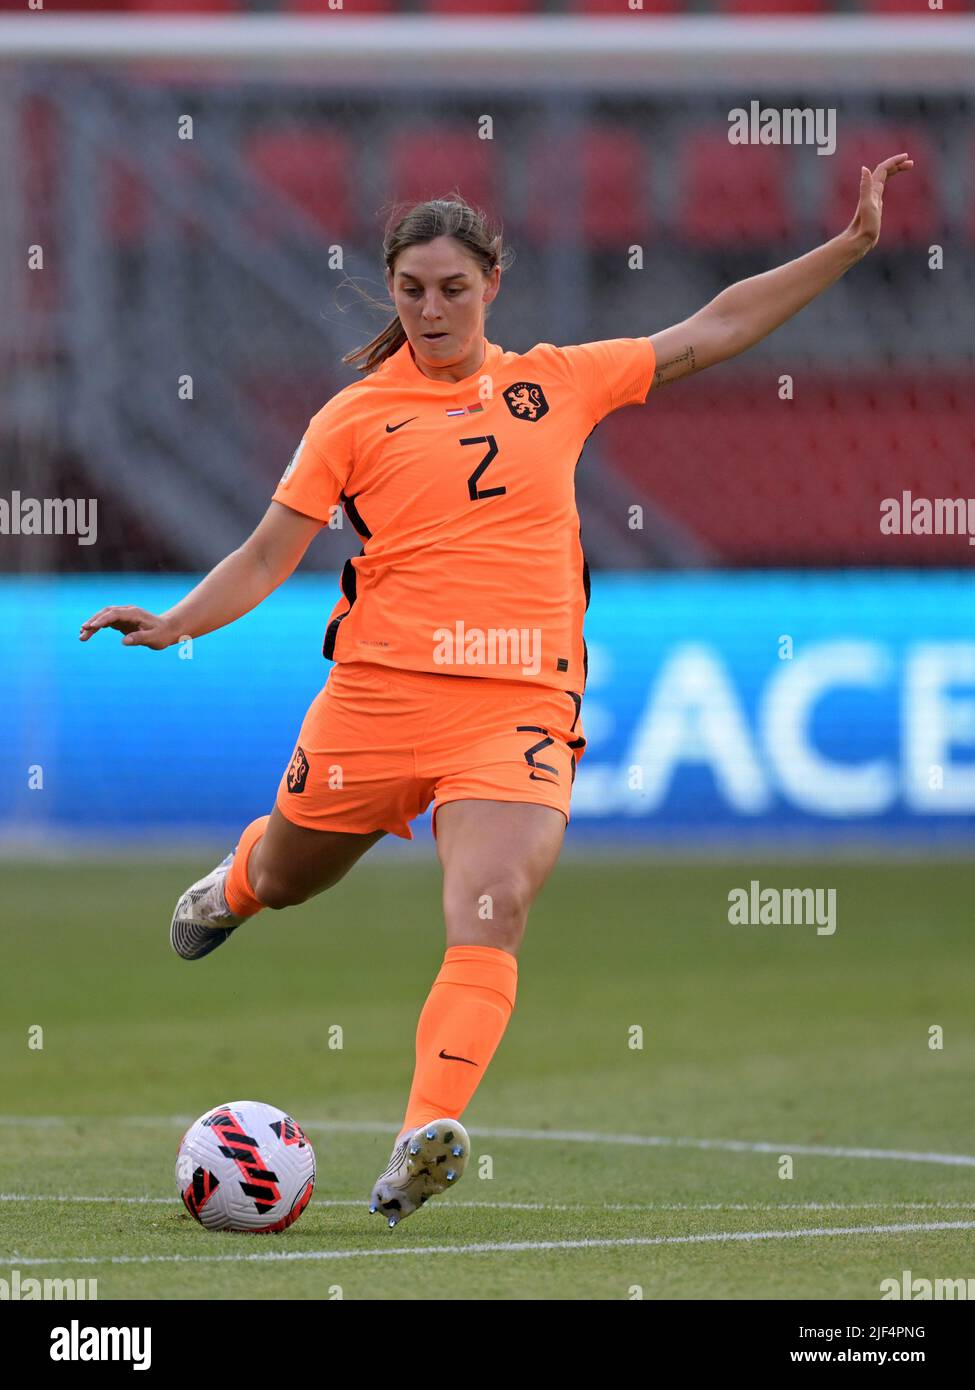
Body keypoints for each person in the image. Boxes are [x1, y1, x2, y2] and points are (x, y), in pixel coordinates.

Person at [79, 157, 911, 1228]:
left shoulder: (560, 379)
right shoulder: (352, 418)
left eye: (453, 289)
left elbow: (712, 327)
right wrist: (178, 621)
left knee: (494, 904)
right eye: (413, 289)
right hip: (376, 699)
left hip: (516, 702)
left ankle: (422, 1135)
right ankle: (232, 885)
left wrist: (846, 246)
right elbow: (264, 553)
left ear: (494, 283)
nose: (431, 308)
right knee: (288, 872)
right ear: (391, 289)